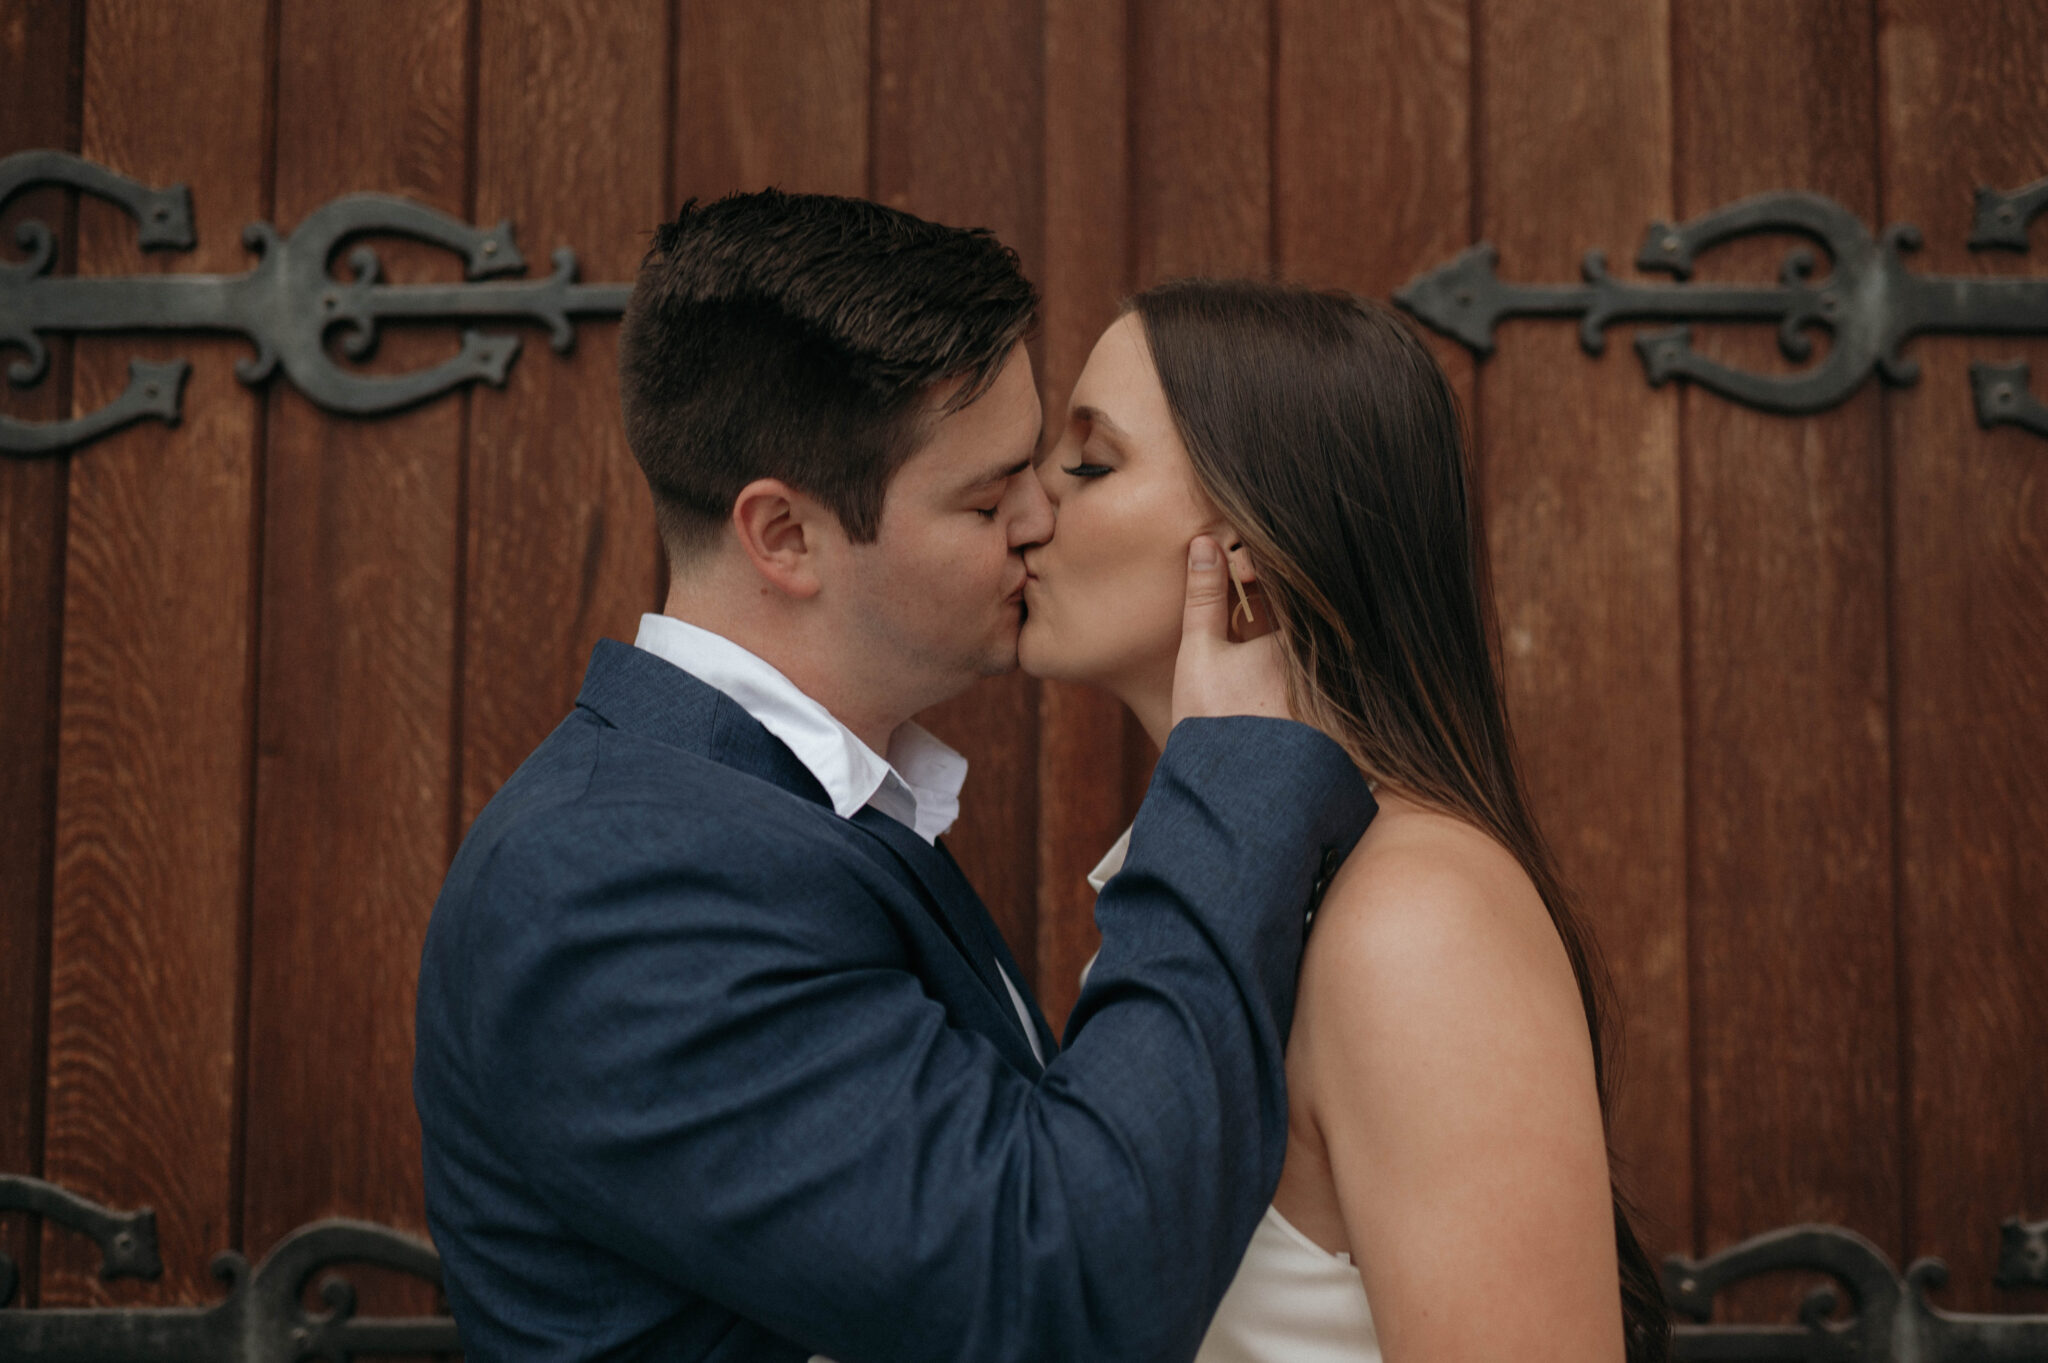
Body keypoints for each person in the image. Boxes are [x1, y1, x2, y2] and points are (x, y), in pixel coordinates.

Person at [412, 194, 1376, 1363]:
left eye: (1045, 466)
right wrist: (1230, 786)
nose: (1040, 521)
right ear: (785, 537)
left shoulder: (805, 811)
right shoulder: (611, 876)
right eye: (986, 496)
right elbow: (1058, 1295)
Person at [1019, 278, 1672, 1363]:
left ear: (1249, 563)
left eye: (1088, 463)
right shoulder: (1221, 882)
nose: (1029, 506)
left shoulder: (1413, 923)